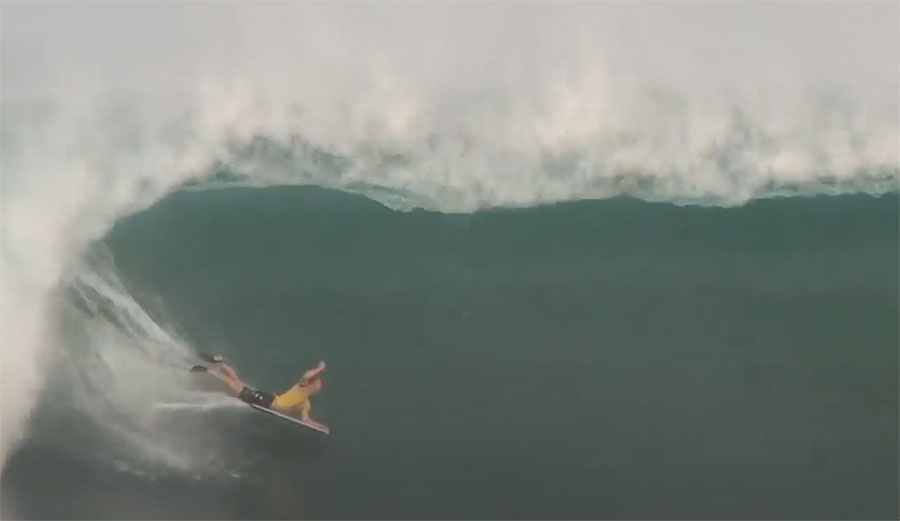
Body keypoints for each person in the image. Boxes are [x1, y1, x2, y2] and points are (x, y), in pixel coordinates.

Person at [192, 354, 329, 433]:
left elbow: (306, 420)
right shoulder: (302, 387)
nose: (320, 386)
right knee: (234, 385)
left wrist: (318, 426)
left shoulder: (305, 402)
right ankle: (208, 371)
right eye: (318, 384)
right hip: (267, 401)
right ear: (311, 384)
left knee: (239, 382)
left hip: (268, 399)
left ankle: (220, 363)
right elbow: (306, 376)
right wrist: (320, 369)